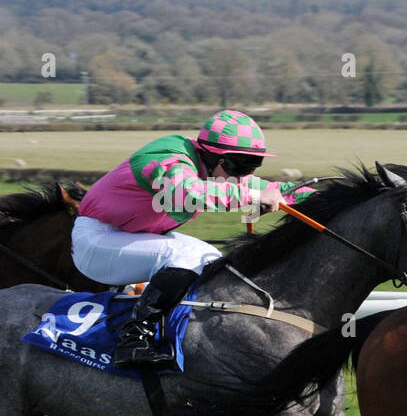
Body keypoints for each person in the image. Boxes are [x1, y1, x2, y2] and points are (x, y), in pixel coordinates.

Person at [72, 110, 314, 369]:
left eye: (251, 166)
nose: (243, 175)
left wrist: (323, 195)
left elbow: (261, 188)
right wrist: (253, 198)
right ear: (211, 155)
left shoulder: (209, 166)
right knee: (187, 256)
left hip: (128, 237)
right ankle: (133, 340)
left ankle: (173, 329)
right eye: (239, 166)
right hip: (97, 241)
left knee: (209, 255)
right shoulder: (168, 158)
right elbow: (185, 193)